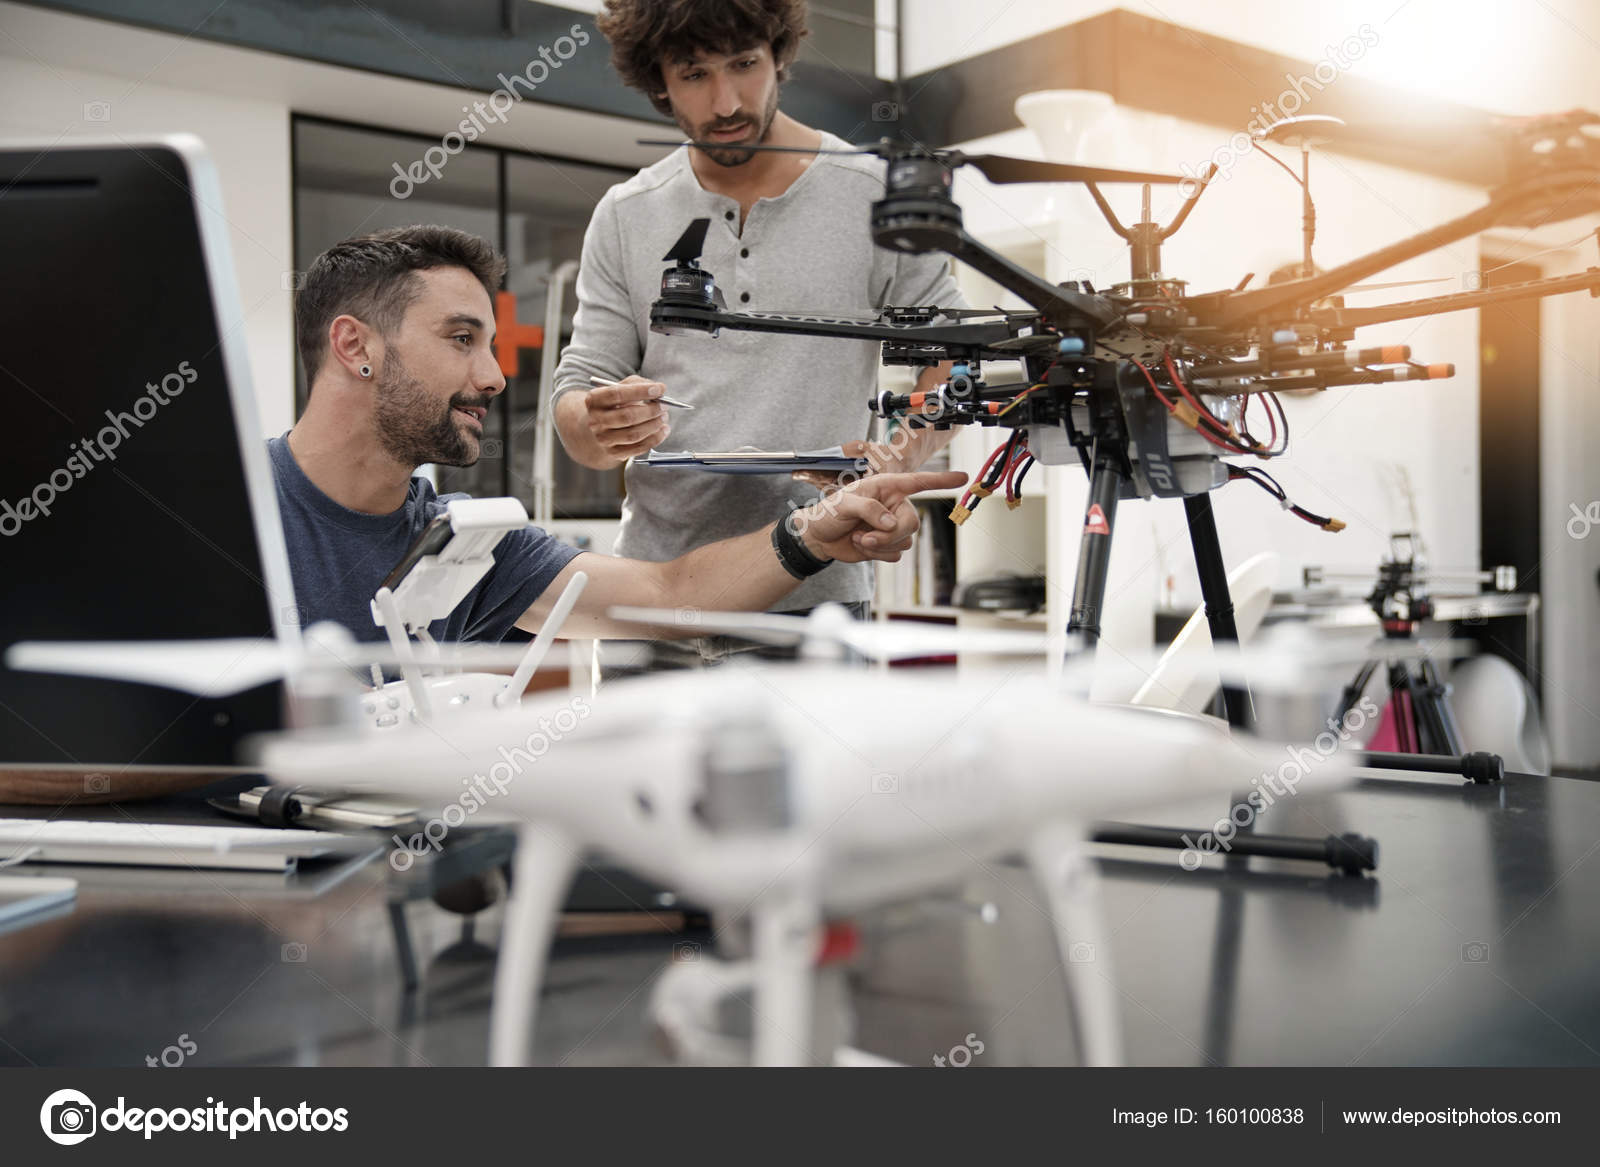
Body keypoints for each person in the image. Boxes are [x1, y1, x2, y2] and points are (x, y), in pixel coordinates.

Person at [0, 224, 962, 808]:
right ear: (356, 347)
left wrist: (814, 531)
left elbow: (671, 590)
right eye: (462, 340)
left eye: (491, 345)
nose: (494, 378)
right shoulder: (200, 508)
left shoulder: (466, 542)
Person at [552, 0, 964, 628]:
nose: (725, 103)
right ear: (658, 82)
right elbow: (579, 398)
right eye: (693, 74)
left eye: (744, 64)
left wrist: (897, 458)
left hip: (816, 598)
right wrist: (595, 423)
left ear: (778, 55)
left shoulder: (875, 196)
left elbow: (952, 358)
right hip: (654, 597)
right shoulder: (625, 213)